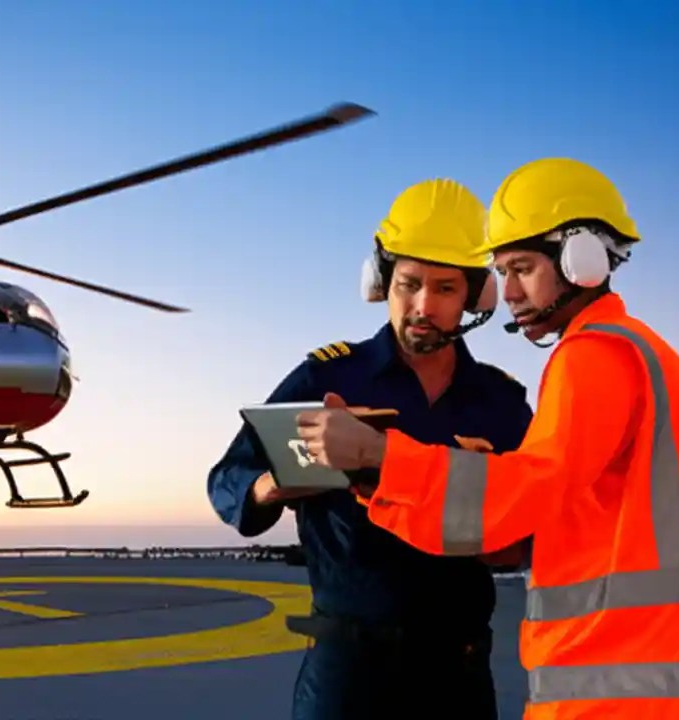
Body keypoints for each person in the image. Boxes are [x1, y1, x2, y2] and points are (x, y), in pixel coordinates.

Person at [297, 158, 679, 719]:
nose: (507, 292)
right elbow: (572, 502)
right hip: (674, 679)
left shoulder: (593, 357)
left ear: (580, 259)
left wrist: (376, 457)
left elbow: (525, 497)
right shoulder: (646, 354)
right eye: (500, 273)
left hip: (618, 685)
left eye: (521, 268)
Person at [206, 178, 535, 719]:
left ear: (477, 296)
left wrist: (491, 491)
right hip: (346, 673)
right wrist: (274, 485)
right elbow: (225, 482)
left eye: (446, 289)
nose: (423, 306)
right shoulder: (325, 375)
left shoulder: (501, 403)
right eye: (409, 284)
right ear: (383, 282)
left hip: (457, 674)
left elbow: (539, 529)